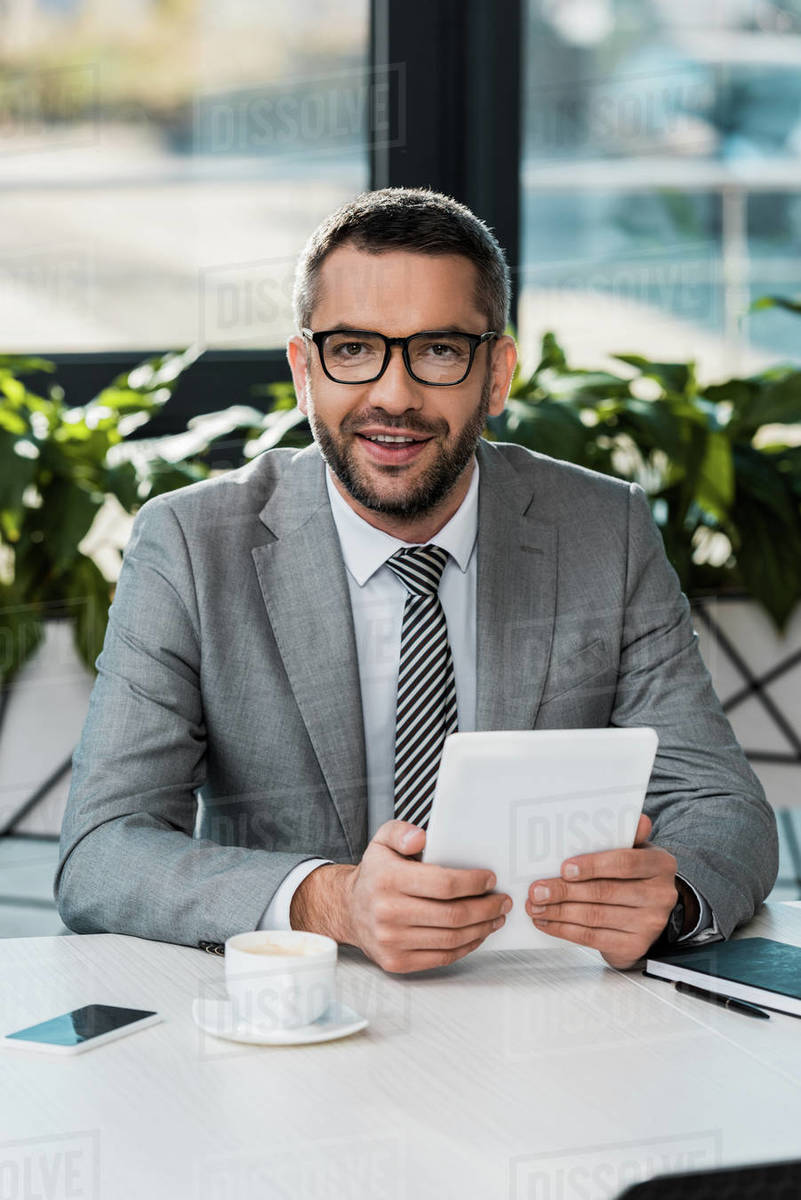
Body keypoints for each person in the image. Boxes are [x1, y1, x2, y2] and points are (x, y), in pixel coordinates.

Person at [55, 187, 778, 974]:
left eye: (437, 350)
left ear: (495, 375)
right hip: (295, 1026)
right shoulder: (192, 545)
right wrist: (329, 901)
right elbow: (102, 851)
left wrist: (667, 897)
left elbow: (722, 809)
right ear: (304, 372)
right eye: (353, 349)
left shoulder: (605, 529)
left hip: (543, 1015)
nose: (393, 395)